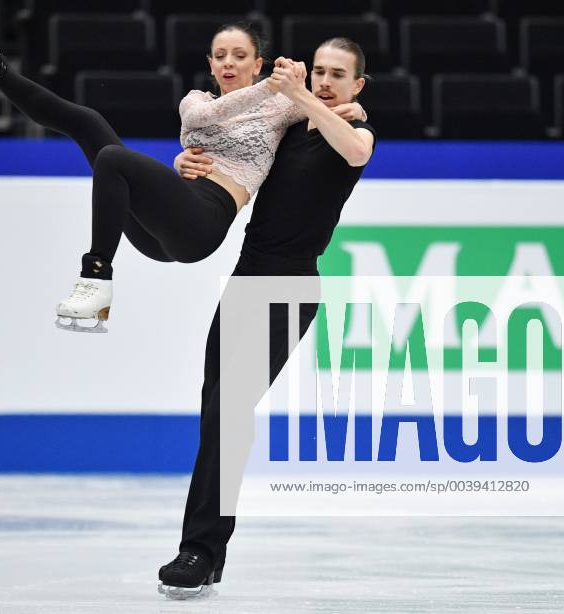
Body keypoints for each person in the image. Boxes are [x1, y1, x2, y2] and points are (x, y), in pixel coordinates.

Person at [0, 5, 364, 332]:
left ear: (259, 63)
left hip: (202, 224)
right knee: (89, 124)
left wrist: (350, 105)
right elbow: (205, 120)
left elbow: (322, 113)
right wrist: (263, 92)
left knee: (112, 158)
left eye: (240, 56)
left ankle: (96, 278)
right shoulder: (197, 100)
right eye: (220, 56)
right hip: (162, 227)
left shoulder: (282, 105)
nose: (229, 63)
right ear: (211, 64)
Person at [157, 38, 376, 598]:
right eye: (319, 70)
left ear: (358, 86)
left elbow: (355, 151)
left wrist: (307, 96)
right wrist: (187, 163)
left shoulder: (350, 129)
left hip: (291, 283)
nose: (326, 80)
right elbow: (228, 150)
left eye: (338, 75)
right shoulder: (282, 125)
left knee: (230, 409)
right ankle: (205, 548)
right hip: (246, 273)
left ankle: (200, 551)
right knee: (218, 408)